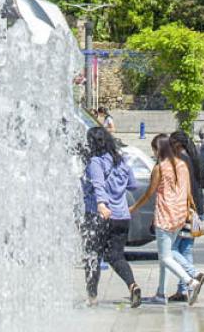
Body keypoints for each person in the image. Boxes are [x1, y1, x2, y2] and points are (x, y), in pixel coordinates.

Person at [131, 135, 204, 306]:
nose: (154, 153)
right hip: (180, 216)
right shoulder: (182, 165)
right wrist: (190, 210)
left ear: (159, 150)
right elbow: (187, 193)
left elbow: (149, 193)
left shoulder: (160, 168)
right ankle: (160, 293)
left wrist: (134, 207)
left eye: (154, 150)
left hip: (165, 216)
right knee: (168, 253)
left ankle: (191, 280)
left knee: (165, 257)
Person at [82, 126, 141, 308]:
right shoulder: (120, 161)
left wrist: (101, 203)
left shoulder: (95, 162)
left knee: (93, 255)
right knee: (116, 256)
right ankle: (133, 285)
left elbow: (98, 184)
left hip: (100, 215)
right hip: (122, 216)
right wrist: (117, 189)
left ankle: (92, 297)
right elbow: (133, 185)